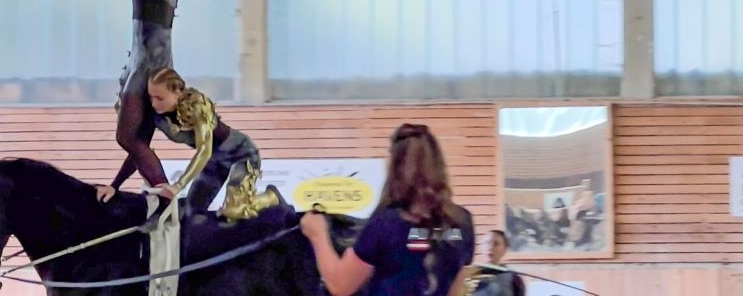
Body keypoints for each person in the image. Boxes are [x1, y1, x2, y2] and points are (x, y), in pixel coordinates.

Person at [300, 123, 475, 296]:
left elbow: (340, 285)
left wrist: (318, 234)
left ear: (395, 167)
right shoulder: (462, 223)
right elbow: (455, 291)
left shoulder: (385, 224)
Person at [93, 0, 181, 202]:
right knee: (137, 138)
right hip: (139, 62)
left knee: (127, 135)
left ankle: (165, 191)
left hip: (151, 66)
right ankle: (150, 188)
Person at [96, 67, 280, 221]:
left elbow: (204, 150)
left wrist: (178, 185)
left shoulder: (196, 105)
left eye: (160, 98)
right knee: (191, 213)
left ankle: (272, 197)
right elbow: (138, 152)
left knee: (234, 211)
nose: (153, 103)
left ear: (178, 92)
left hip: (241, 153)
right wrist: (115, 185)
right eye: (151, 97)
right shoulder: (156, 116)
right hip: (215, 160)